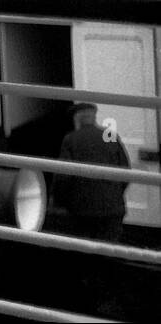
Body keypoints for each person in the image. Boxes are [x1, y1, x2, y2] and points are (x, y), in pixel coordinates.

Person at [53, 102, 131, 243]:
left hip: (83, 210)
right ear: (94, 117)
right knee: (110, 250)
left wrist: (60, 201)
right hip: (112, 209)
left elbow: (63, 177)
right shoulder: (110, 136)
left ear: (76, 119)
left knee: (86, 253)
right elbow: (125, 171)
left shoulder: (71, 139)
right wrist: (114, 194)